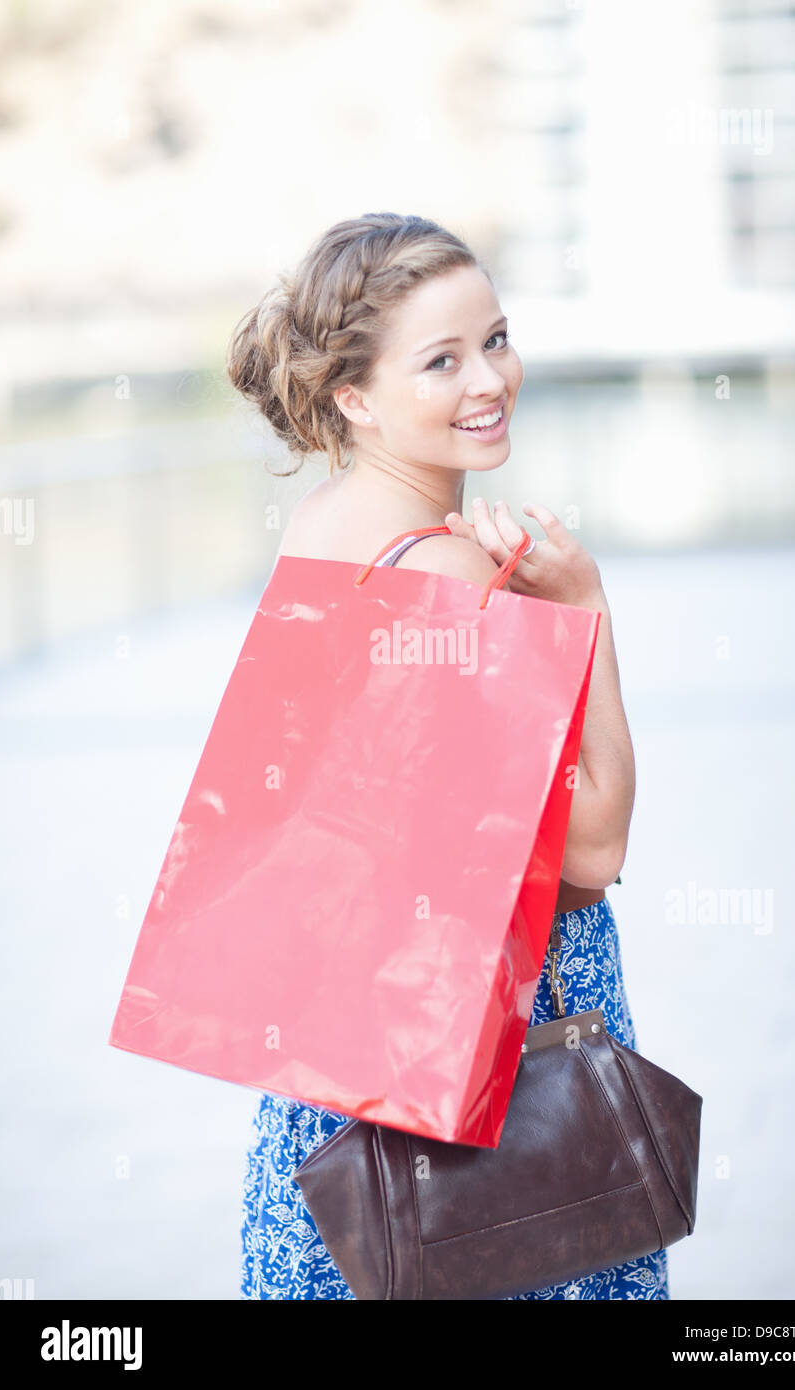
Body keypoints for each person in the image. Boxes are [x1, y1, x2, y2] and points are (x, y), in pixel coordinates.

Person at [226, 212, 669, 1300]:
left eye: (495, 338)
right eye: (441, 359)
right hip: (497, 1086)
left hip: (345, 1071)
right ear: (352, 398)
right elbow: (591, 846)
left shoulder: (324, 530)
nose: (490, 378)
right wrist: (582, 607)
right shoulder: (453, 571)